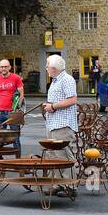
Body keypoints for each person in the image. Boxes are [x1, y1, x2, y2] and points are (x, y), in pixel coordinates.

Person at [40, 55, 79, 186]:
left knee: (64, 155)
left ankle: (69, 185)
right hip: (53, 124)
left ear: (54, 68)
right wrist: (48, 105)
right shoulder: (55, 81)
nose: (46, 68)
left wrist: (53, 106)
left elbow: (72, 100)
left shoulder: (67, 79)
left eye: (47, 65)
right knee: (54, 155)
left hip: (63, 124)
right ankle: (57, 184)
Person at [0, 58, 24, 153]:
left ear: (9, 67)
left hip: (12, 113)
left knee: (15, 138)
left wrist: (17, 108)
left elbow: (21, 94)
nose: (3, 68)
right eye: (2, 67)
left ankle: (18, 162)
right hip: (1, 112)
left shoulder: (16, 78)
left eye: (5, 66)